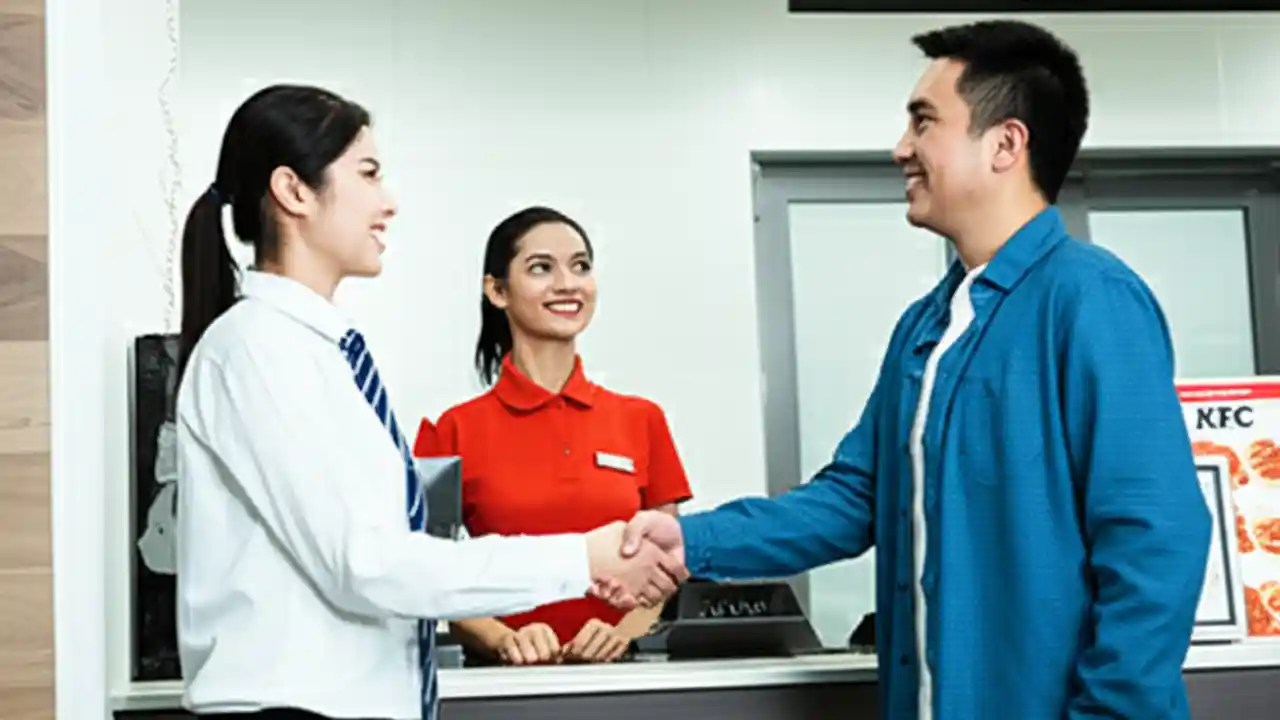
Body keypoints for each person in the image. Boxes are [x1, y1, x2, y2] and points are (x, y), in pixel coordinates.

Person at [611, 20, 1211, 720]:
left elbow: (1156, 539)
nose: (902, 148)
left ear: (1005, 145)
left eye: (923, 122)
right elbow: (855, 498)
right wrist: (692, 540)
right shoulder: (927, 325)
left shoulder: (1091, 299)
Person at [174, 84, 684, 720]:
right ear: (294, 191)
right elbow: (372, 564)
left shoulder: (316, 355)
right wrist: (580, 559)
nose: (389, 203)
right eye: (369, 174)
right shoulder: (258, 350)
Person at [414, 206, 694, 666]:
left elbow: (666, 565)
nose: (568, 283)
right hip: (503, 684)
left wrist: (622, 632)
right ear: (498, 291)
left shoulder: (642, 419)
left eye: (580, 266)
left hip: (627, 683)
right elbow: (429, 573)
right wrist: (503, 638)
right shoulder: (451, 431)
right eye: (541, 268)